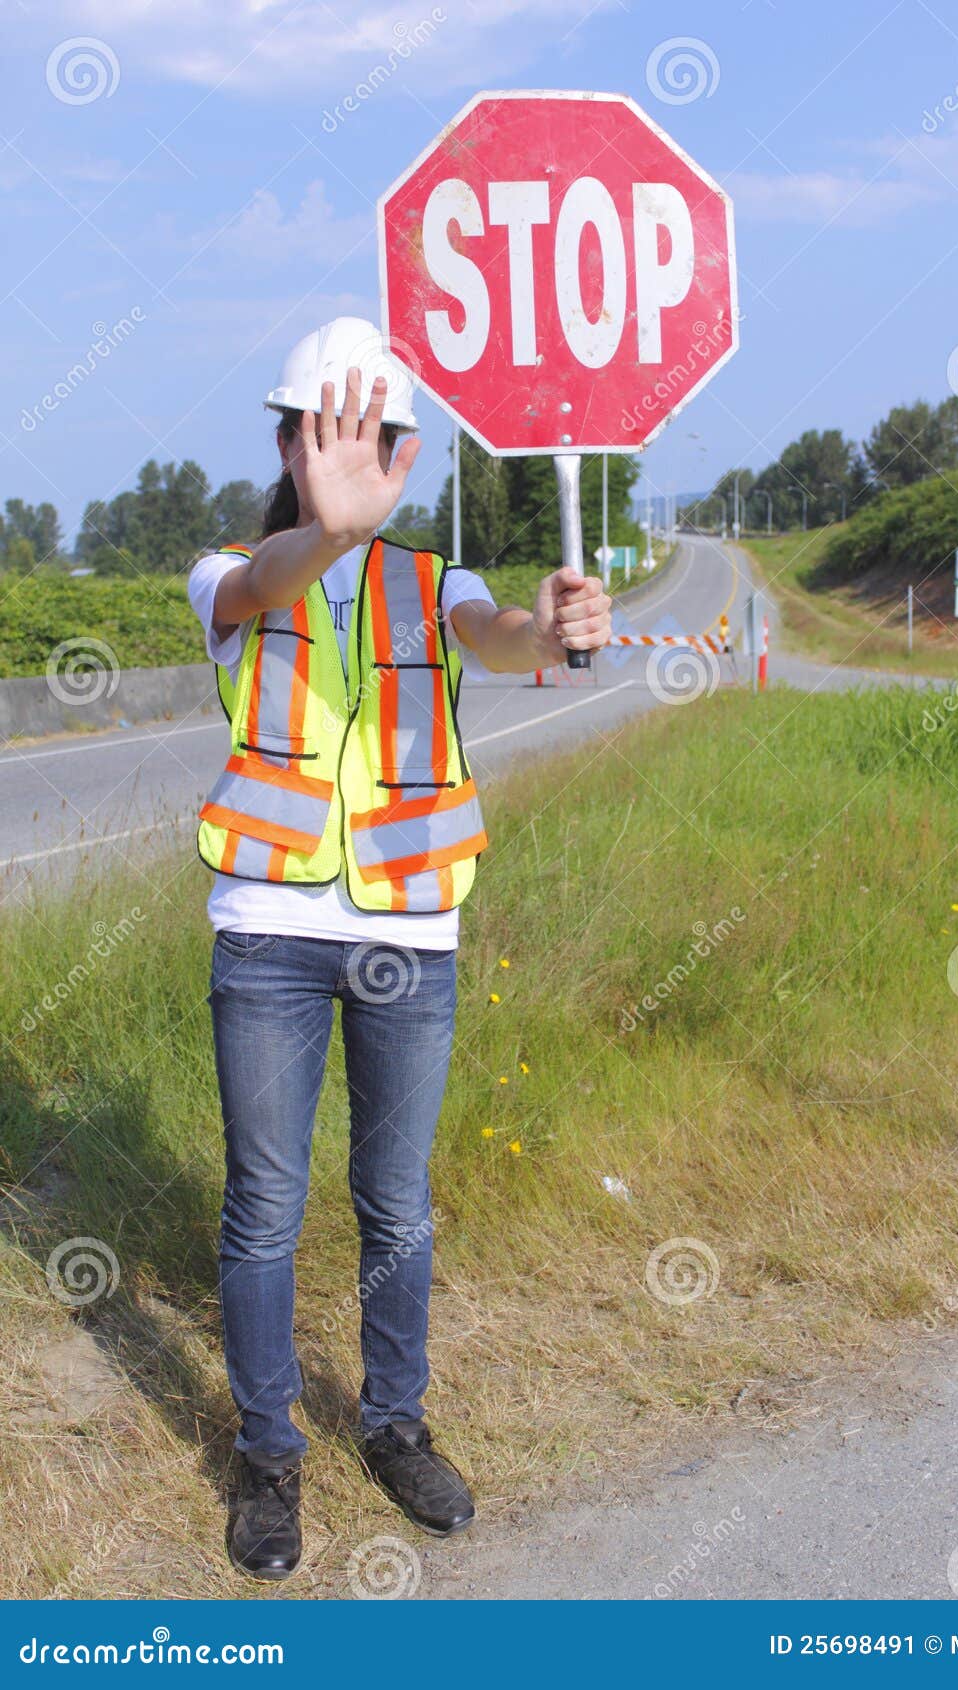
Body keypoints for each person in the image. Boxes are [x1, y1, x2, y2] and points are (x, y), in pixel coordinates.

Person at [187, 317, 612, 1581]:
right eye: (324, 433)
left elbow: (502, 641)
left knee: (396, 1204)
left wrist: (554, 630)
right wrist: (325, 529)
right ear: (289, 442)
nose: (348, 454)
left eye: (372, 438)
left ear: (404, 451)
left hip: (411, 933)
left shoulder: (441, 583)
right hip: (268, 933)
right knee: (266, 1207)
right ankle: (269, 1454)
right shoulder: (226, 572)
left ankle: (394, 1424)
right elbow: (261, 588)